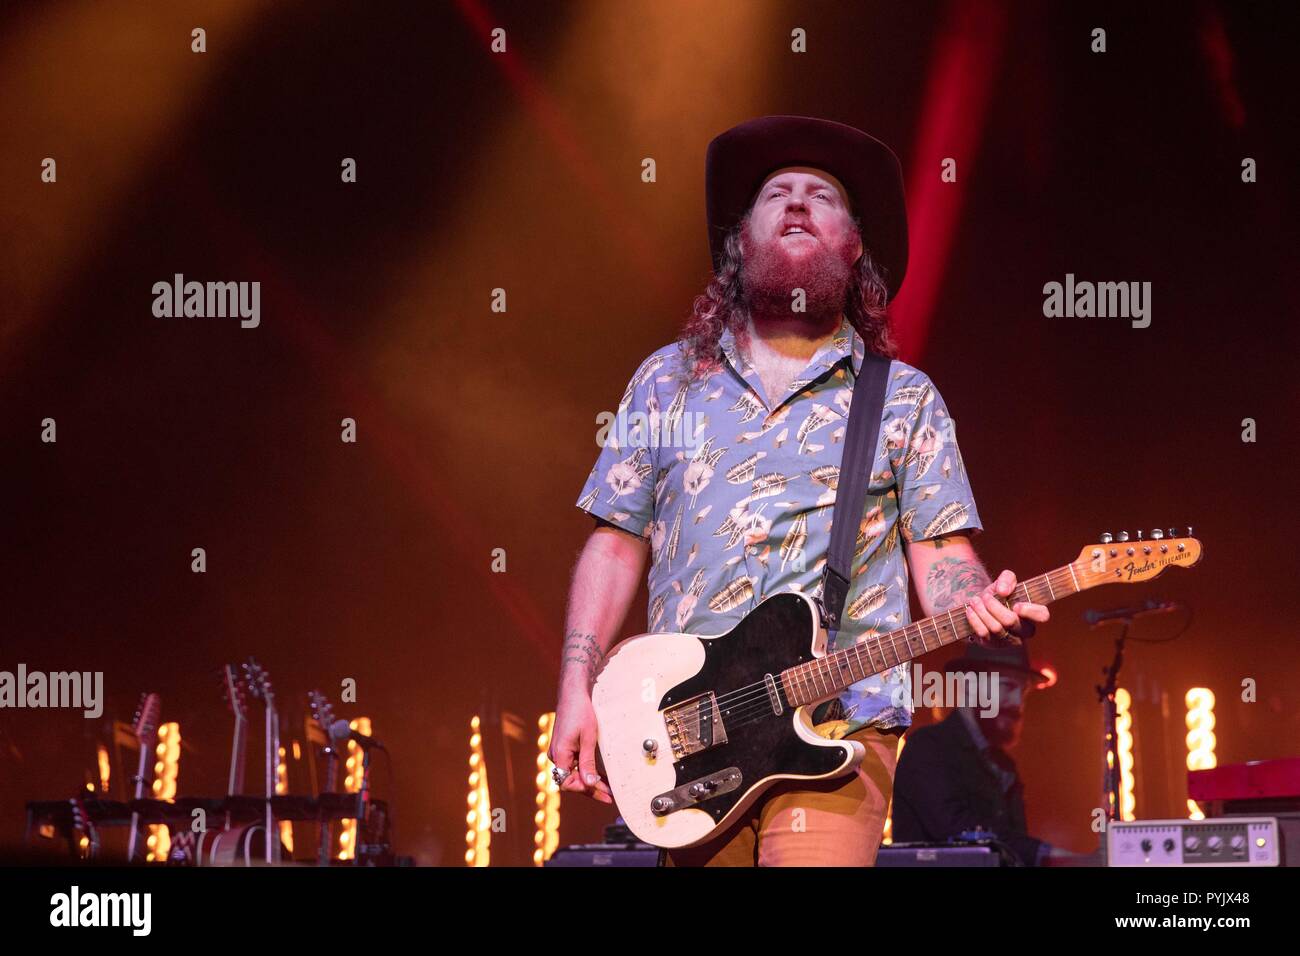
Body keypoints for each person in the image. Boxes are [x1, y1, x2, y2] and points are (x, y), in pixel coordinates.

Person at [549, 115, 1048, 866]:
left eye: (821, 196)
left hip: (841, 725)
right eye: (775, 193)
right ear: (738, 243)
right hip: (688, 730)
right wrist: (575, 685)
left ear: (853, 247)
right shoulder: (669, 380)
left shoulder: (902, 399)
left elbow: (943, 555)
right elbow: (616, 541)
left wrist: (976, 603)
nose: (796, 202)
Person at [890, 643, 1061, 866]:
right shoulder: (927, 748)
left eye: (1024, 691)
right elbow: (957, 832)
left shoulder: (1004, 765)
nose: (1018, 702)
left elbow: (1013, 848)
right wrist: (1054, 856)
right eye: (1008, 686)